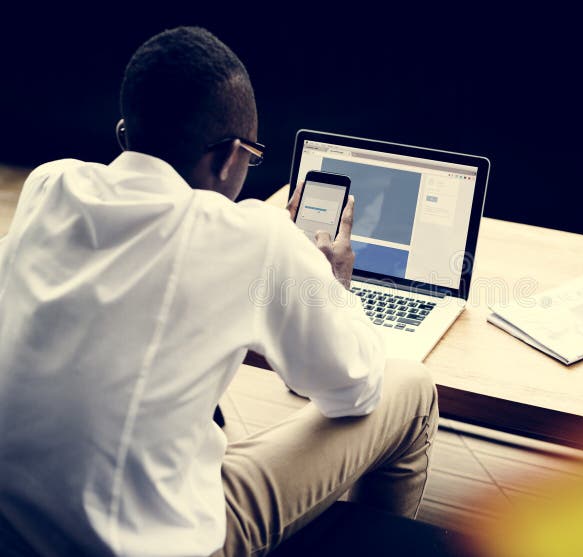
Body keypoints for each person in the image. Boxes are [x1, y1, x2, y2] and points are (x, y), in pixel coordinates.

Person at [0, 26, 438, 556]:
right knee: (410, 386)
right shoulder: (251, 235)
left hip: (16, 533)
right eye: (251, 157)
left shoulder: (49, 185)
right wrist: (331, 287)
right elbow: (355, 387)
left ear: (125, 133)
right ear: (231, 156)